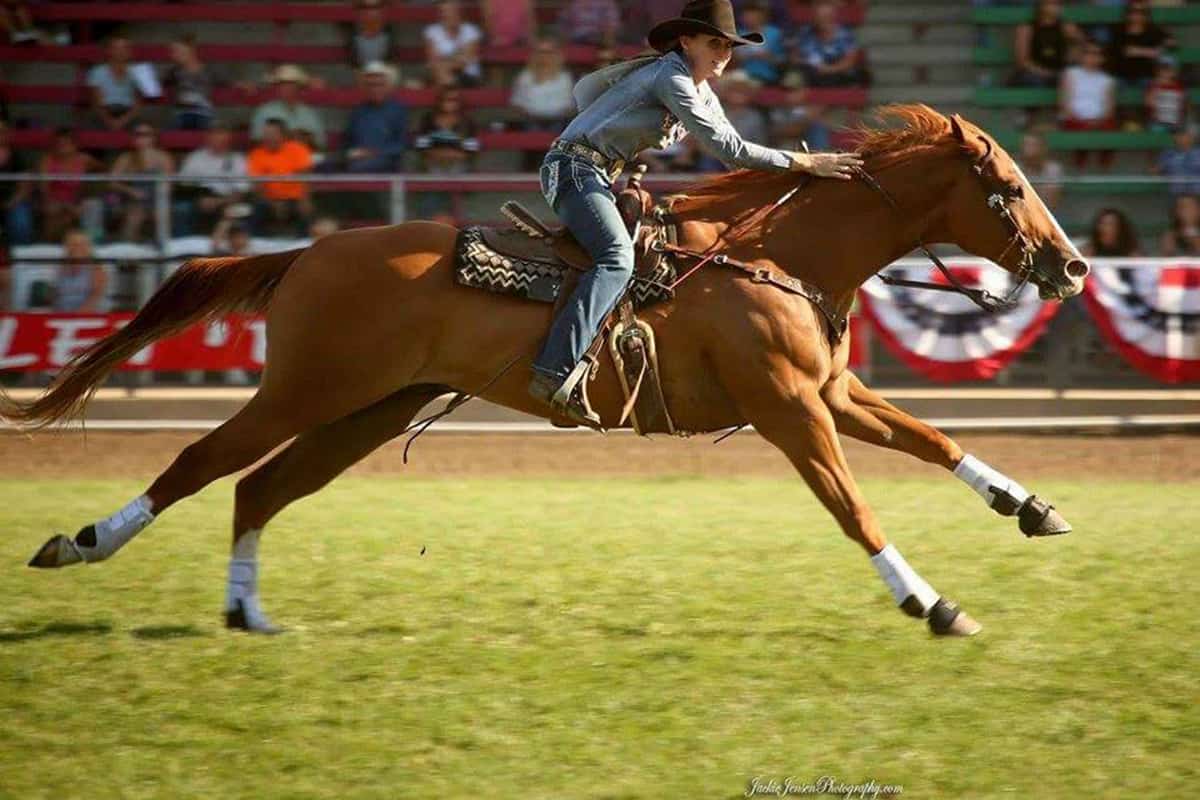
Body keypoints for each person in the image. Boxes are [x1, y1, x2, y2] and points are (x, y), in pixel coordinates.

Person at [526, 0, 862, 427]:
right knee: (617, 257)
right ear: (686, 41)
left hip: (594, 172)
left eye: (729, 47)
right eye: (715, 43)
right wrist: (804, 164)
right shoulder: (672, 77)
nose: (724, 54)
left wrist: (797, 174)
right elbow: (730, 150)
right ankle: (555, 370)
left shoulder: (698, 87)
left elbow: (734, 152)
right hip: (573, 169)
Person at [175, 124, 251, 235]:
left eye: (222, 137)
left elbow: (241, 191)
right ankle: (185, 246)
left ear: (229, 139)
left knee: (241, 210)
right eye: (215, 135)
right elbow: (183, 184)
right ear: (208, 138)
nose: (219, 140)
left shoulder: (238, 160)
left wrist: (218, 202)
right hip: (199, 198)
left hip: (226, 199)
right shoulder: (195, 158)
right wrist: (199, 199)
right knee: (181, 209)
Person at [106, 123, 174, 242]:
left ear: (153, 137)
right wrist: (131, 191)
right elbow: (111, 182)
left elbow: (168, 183)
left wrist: (159, 196)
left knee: (162, 212)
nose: (141, 138)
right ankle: (127, 250)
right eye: (137, 135)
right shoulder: (126, 158)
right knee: (136, 213)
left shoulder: (163, 157)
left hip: (157, 198)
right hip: (132, 198)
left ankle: (163, 250)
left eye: (145, 135)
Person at [247, 118, 313, 236]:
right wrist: (272, 203)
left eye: (272, 134)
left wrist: (305, 200)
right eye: (266, 134)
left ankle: (304, 247)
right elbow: (257, 186)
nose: (268, 137)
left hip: (295, 199)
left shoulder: (298, 149)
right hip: (269, 200)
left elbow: (306, 178)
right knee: (257, 209)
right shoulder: (256, 154)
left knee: (306, 210)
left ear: (283, 135)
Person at [1058, 40, 1116, 170]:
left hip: (1099, 121)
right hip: (1074, 119)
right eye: (1088, 53)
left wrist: (1097, 121)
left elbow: (1109, 108)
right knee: (1079, 129)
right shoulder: (1071, 74)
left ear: (1102, 58)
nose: (1092, 57)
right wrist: (1079, 118)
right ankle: (1079, 168)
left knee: (1110, 128)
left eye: (1096, 54)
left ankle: (1104, 169)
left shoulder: (1108, 80)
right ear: (1082, 55)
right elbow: (1064, 103)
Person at [38, 128, 103, 243]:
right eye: (59, 143)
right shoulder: (47, 161)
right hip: (55, 203)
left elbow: (103, 173)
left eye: (67, 143)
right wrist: (61, 206)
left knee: (92, 206)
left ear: (75, 144)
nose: (63, 146)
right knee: (53, 214)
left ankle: (92, 246)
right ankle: (51, 250)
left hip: (77, 202)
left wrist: (83, 199)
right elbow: (44, 190)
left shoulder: (84, 160)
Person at [342, 61, 409, 172]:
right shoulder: (358, 112)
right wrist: (352, 152)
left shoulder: (397, 111)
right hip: (357, 159)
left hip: (386, 161)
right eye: (371, 85)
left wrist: (375, 152)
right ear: (365, 88)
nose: (375, 89)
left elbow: (401, 144)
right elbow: (348, 141)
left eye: (379, 85)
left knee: (357, 168)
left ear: (387, 87)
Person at [250, 65, 327, 151]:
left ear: (299, 88)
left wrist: (305, 138)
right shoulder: (265, 111)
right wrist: (282, 139)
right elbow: (255, 142)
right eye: (283, 84)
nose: (287, 88)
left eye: (291, 84)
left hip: (302, 159)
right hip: (273, 160)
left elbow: (320, 144)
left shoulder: (309, 113)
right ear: (277, 87)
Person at [792, 0, 866, 88]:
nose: (824, 21)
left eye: (827, 18)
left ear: (832, 17)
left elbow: (849, 61)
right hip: (812, 76)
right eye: (820, 18)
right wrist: (807, 63)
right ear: (814, 17)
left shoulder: (845, 35)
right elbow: (795, 57)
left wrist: (828, 69)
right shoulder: (804, 33)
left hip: (837, 76)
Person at [1010, 0, 1082, 89]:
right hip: (1033, 74)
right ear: (1041, 5)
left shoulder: (1066, 27)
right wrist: (1046, 73)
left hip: (1058, 73)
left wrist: (1075, 39)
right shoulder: (1027, 28)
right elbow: (1022, 62)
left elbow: (1076, 56)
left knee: (1074, 80)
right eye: (1052, 3)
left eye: (1058, 4)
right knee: (1035, 81)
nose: (1057, 7)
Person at [162, 34, 227, 130]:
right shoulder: (174, 71)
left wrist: (243, 85)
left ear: (191, 51)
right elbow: (160, 84)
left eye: (178, 51)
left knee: (209, 128)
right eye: (173, 52)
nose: (174, 55)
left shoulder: (208, 70)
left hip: (203, 112)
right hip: (182, 113)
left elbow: (225, 82)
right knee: (170, 130)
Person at [511, 39, 576, 133]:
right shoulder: (525, 76)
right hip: (530, 120)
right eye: (541, 52)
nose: (545, 56)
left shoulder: (565, 78)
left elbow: (570, 105)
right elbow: (517, 103)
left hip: (559, 121)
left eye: (549, 52)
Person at [1106, 0, 1175, 89]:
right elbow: (1126, 51)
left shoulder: (1153, 31)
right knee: (1109, 85)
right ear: (1127, 13)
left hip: (1145, 76)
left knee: (1155, 85)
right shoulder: (1118, 30)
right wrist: (1149, 52)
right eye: (1134, 11)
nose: (1137, 15)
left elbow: (1172, 42)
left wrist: (1161, 48)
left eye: (1142, 12)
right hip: (1121, 75)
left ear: (1146, 15)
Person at [87, 36, 143, 131]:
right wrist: (109, 121)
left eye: (124, 48)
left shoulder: (137, 72)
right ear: (109, 51)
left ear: (129, 52)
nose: (120, 52)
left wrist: (123, 120)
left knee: (142, 131)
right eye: (116, 48)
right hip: (104, 113)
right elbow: (96, 102)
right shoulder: (97, 72)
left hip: (128, 113)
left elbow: (138, 103)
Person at [424, 0, 482, 88]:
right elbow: (433, 60)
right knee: (442, 75)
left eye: (452, 11)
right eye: (444, 12)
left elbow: (465, 61)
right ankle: (449, 92)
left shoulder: (471, 31)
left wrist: (444, 64)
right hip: (440, 74)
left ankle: (447, 93)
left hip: (467, 75)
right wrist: (456, 59)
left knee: (443, 76)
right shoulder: (432, 31)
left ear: (459, 12)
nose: (448, 15)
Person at [53, 229, 108, 312]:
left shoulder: (96, 268)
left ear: (88, 247)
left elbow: (95, 298)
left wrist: (76, 315)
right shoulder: (61, 267)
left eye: (81, 244)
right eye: (73, 244)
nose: (77, 248)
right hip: (61, 314)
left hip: (87, 315)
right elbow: (56, 296)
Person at [732, 0, 786, 86]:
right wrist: (743, 56)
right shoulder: (739, 34)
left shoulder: (775, 33)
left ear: (762, 15)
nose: (748, 17)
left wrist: (769, 57)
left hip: (767, 76)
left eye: (753, 14)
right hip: (742, 74)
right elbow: (733, 60)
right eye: (746, 14)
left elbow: (783, 61)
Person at [0, 118, 35, 245]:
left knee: (21, 222)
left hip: (14, 202)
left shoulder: (18, 156)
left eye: (2, 131)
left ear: (7, 134)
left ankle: (20, 259)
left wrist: (11, 203)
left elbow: (25, 187)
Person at [1017, 131, 1064, 211]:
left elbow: (1052, 201)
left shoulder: (1053, 169)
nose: (1029, 149)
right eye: (1026, 145)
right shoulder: (1015, 169)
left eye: (1033, 145)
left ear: (1043, 148)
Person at [1144, 55, 1187, 134]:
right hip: (1158, 122)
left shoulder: (1179, 86)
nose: (1165, 72)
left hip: (1175, 122)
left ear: (1174, 72)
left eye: (1168, 69)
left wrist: (1180, 121)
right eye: (1162, 69)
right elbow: (1148, 103)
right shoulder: (1152, 85)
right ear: (1157, 71)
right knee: (1156, 131)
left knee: (1182, 133)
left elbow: (1182, 104)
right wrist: (1156, 87)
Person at [347, 0, 394, 69]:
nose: (370, 12)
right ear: (359, 12)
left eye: (375, 8)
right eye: (365, 8)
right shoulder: (351, 34)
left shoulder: (390, 34)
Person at [1156, 125, 1200, 196]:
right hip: (1177, 194)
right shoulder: (1167, 154)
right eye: (1176, 135)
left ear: (1192, 137)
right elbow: (1158, 170)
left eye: (1182, 135)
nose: (1177, 138)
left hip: (1197, 194)